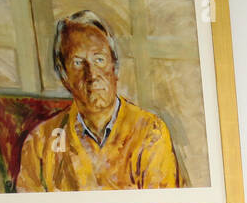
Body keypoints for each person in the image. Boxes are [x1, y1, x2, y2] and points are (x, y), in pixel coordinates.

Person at [16, 11, 181, 191]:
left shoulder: (150, 132)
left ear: (114, 67)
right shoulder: (40, 142)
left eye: (99, 60)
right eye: (78, 63)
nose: (92, 75)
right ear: (64, 75)